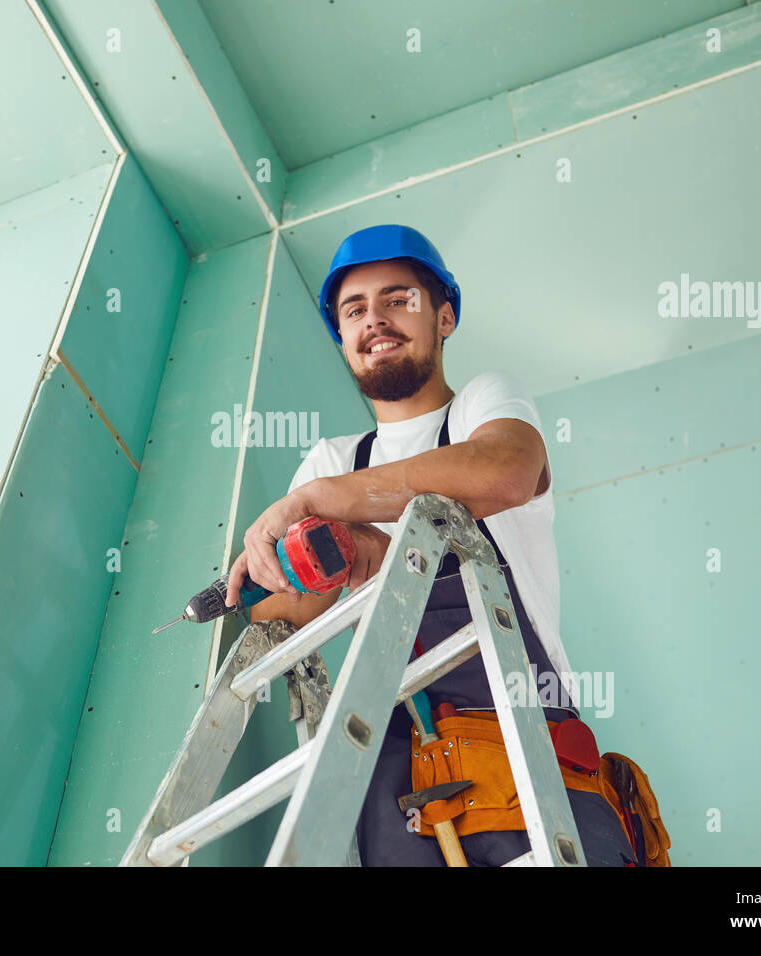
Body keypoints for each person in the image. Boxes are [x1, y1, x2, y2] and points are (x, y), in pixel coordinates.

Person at [224, 224, 637, 867]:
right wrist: (321, 560)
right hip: (393, 768)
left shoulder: (481, 405)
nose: (375, 321)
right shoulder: (334, 458)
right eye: (354, 310)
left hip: (522, 733)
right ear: (342, 338)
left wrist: (321, 502)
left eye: (398, 300)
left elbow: (504, 472)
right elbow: (282, 616)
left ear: (444, 316)